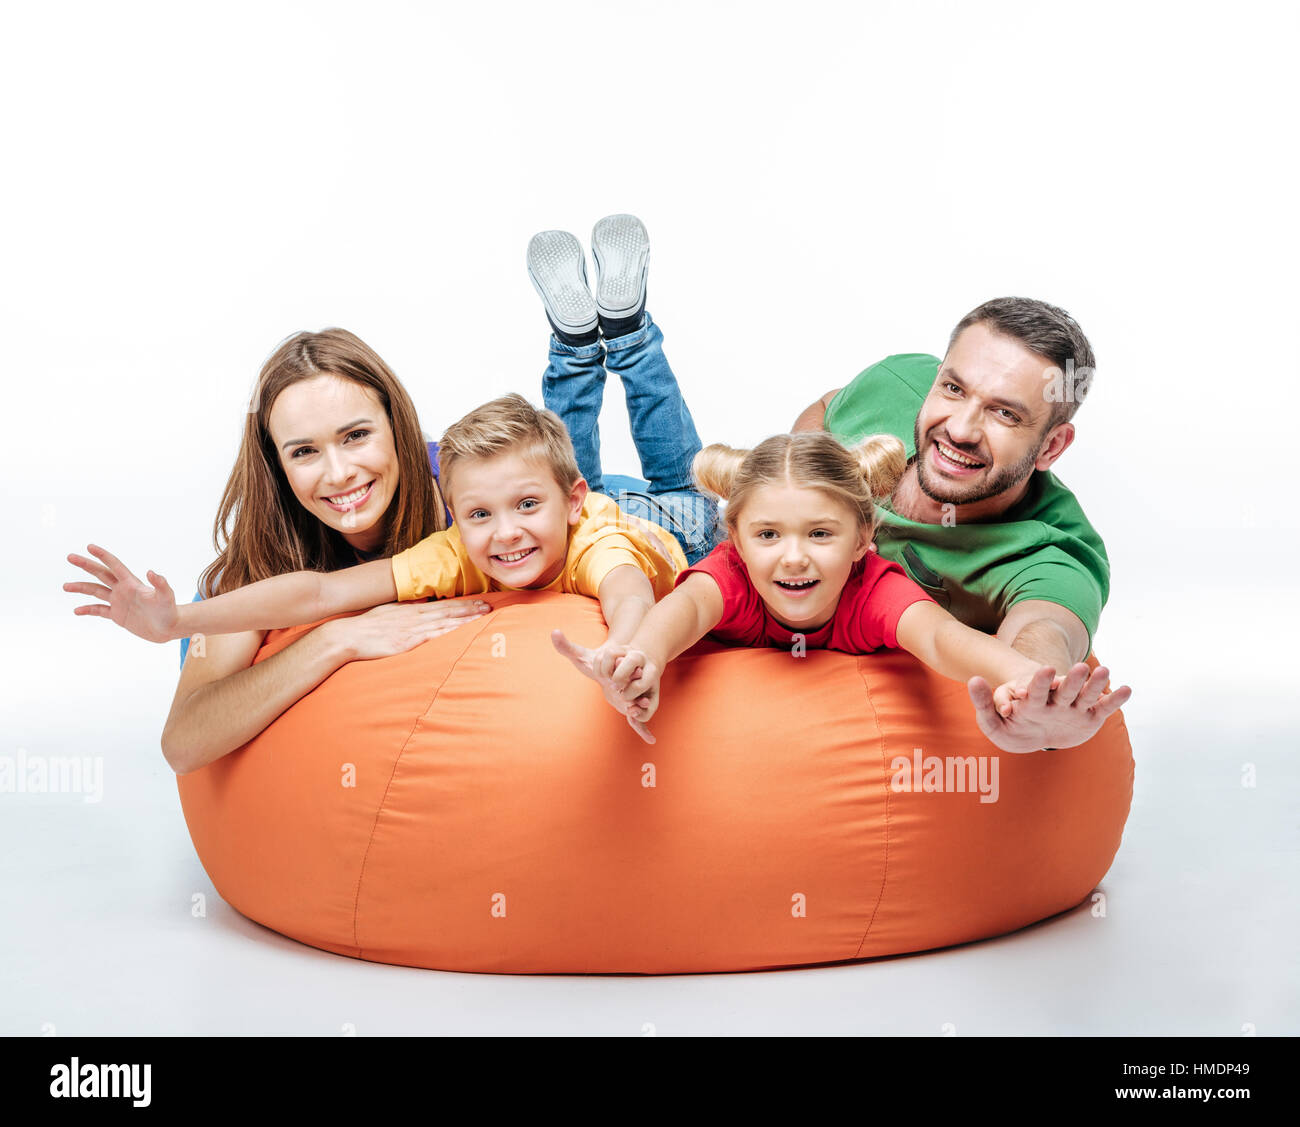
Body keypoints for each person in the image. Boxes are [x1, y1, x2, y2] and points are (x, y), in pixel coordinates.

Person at [64, 392, 699, 722]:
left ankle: (612, 345)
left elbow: (627, 590)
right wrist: (177, 621)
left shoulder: (595, 537)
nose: (504, 535)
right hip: (559, 494)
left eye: (526, 508)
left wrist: (624, 655)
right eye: (479, 515)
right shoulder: (457, 547)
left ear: (569, 504)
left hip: (668, 525)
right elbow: (318, 593)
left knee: (690, 487)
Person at [64, 329, 490, 775]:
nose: (340, 473)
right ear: (278, 465)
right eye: (304, 451)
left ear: (397, 426)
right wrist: (336, 639)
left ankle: (572, 351)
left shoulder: (465, 489)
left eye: (356, 435)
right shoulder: (264, 554)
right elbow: (183, 744)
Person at [553, 432, 1131, 751]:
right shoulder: (728, 572)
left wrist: (1032, 683)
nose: (795, 555)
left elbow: (942, 639)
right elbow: (680, 611)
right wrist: (639, 662)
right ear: (735, 540)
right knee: (625, 492)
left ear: (863, 540)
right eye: (768, 535)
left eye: (821, 534)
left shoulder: (872, 589)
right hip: (656, 524)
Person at [791, 298, 1108, 678]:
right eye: (954, 388)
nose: (959, 430)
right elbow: (826, 407)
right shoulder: (899, 379)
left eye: (1004, 413)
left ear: (1051, 445)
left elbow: (1045, 629)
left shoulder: (1052, 551)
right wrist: (818, 486)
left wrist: (1032, 690)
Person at [529, 213, 719, 567]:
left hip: (603, 531)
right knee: (570, 483)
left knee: (680, 479)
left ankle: (626, 334)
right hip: (663, 537)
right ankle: (575, 348)